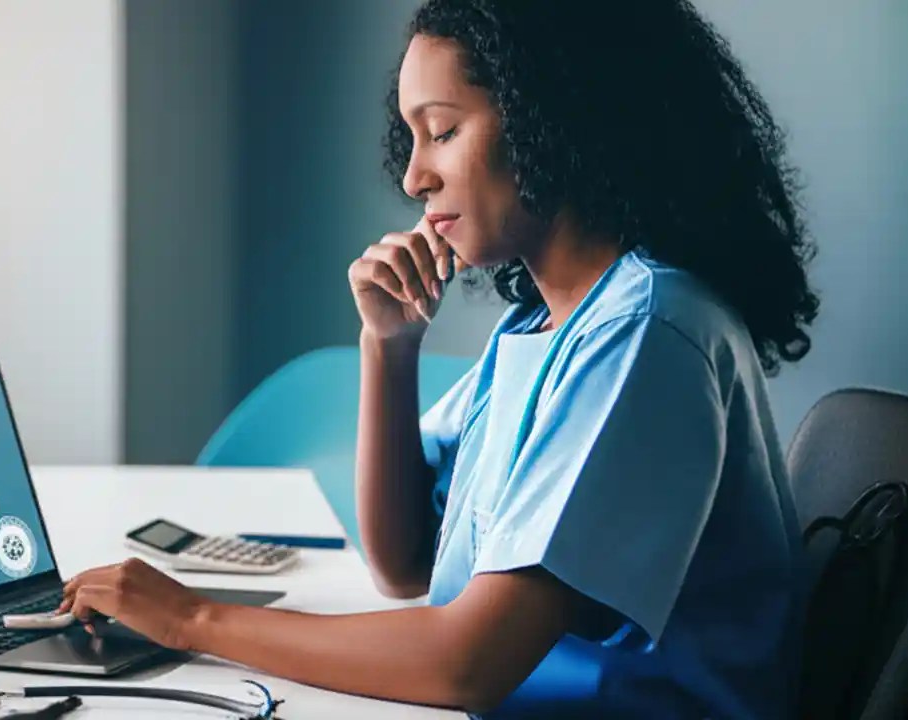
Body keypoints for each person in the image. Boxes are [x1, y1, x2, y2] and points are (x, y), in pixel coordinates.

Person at [59, 0, 820, 716]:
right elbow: (406, 565)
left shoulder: (648, 330)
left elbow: (465, 662)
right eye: (412, 136)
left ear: (551, 120)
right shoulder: (541, 325)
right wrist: (389, 346)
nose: (413, 176)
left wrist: (190, 616)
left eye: (443, 131)